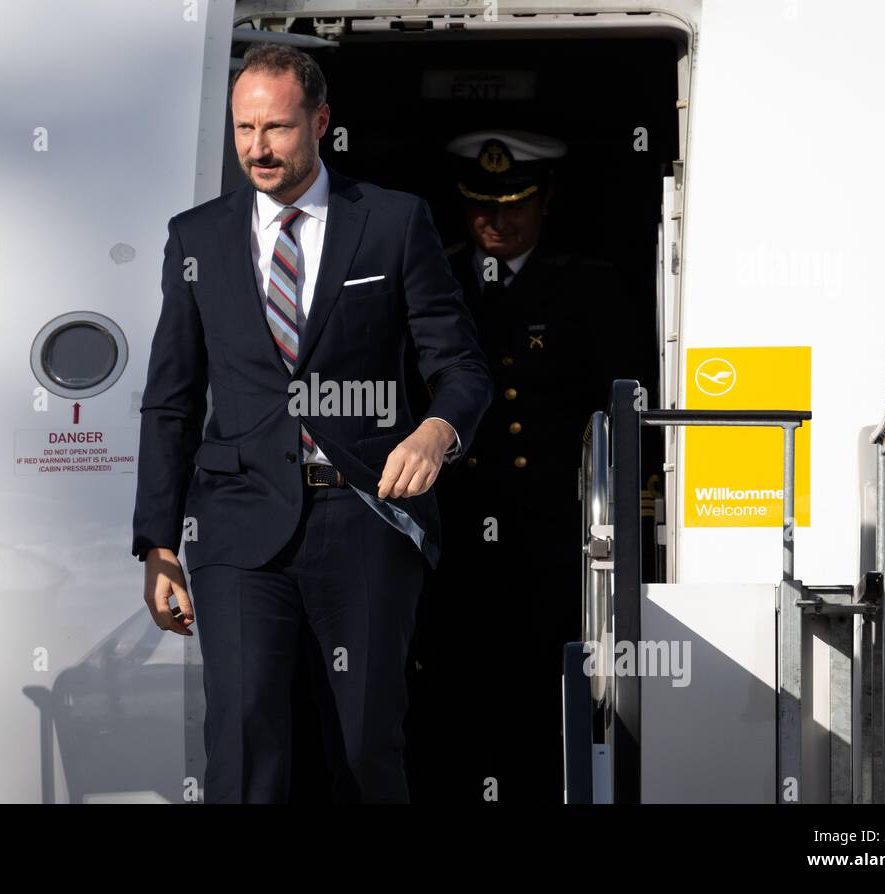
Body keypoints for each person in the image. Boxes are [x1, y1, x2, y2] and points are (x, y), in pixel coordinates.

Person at [131, 44, 492, 804]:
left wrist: (434, 434)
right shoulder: (195, 238)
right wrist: (159, 543)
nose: (257, 148)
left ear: (321, 121)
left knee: (362, 745)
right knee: (243, 732)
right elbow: (172, 398)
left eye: (278, 128)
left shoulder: (393, 223)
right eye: (243, 129)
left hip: (362, 517)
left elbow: (460, 367)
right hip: (236, 522)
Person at [407, 130, 644, 802]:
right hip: (453, 526)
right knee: (452, 679)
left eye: (513, 204)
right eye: (481, 205)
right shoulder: (439, 279)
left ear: (546, 201)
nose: (497, 221)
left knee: (543, 680)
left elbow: (623, 408)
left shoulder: (588, 286)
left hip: (550, 530)